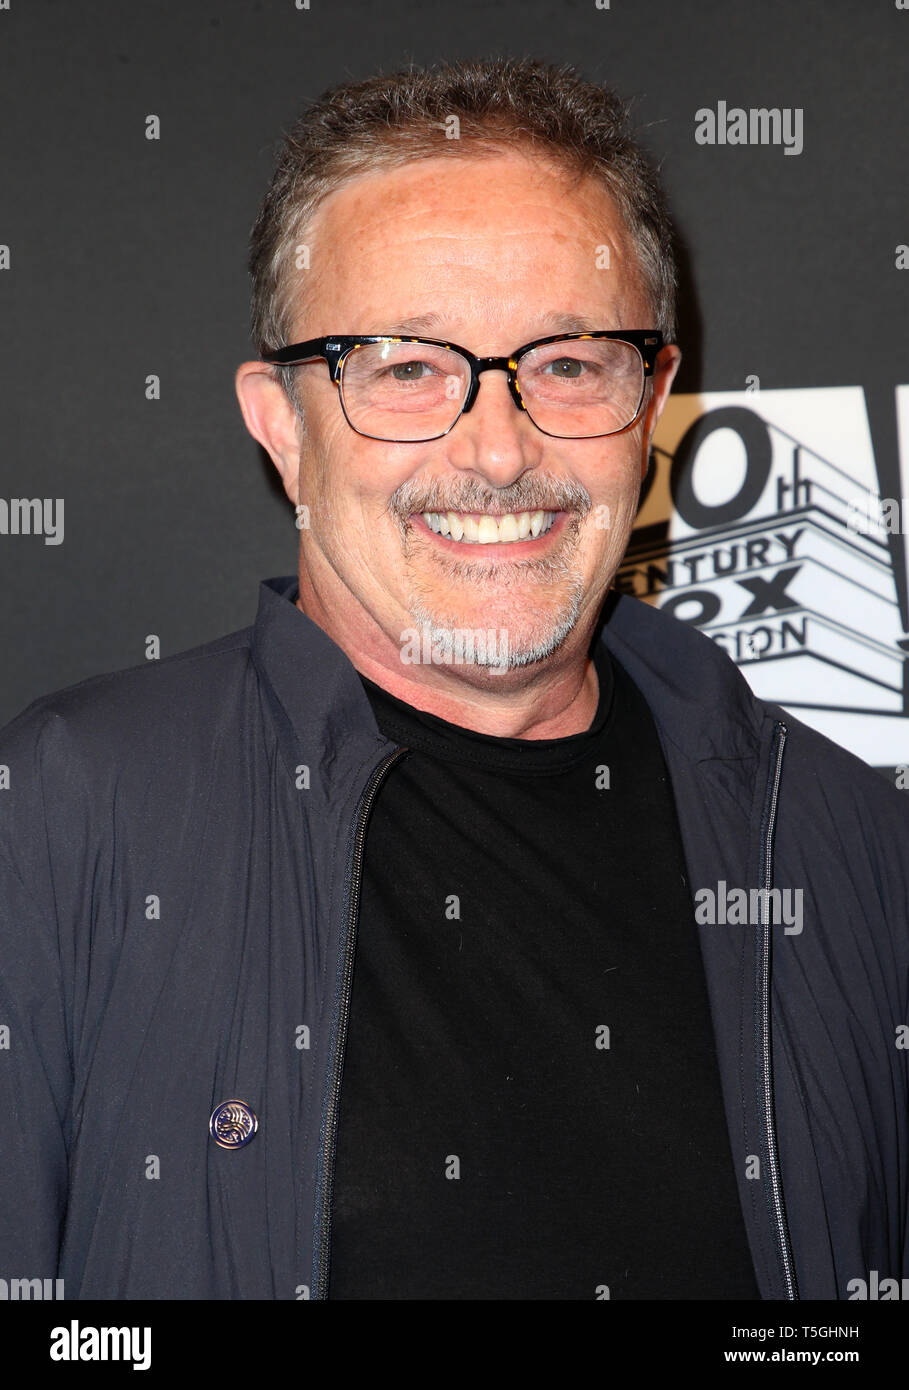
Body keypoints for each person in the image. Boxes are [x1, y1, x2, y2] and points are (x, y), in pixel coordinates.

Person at [1, 56, 906, 1302]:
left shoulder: (848, 843)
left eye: (571, 363)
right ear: (281, 425)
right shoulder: (64, 814)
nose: (498, 447)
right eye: (406, 367)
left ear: (652, 401)